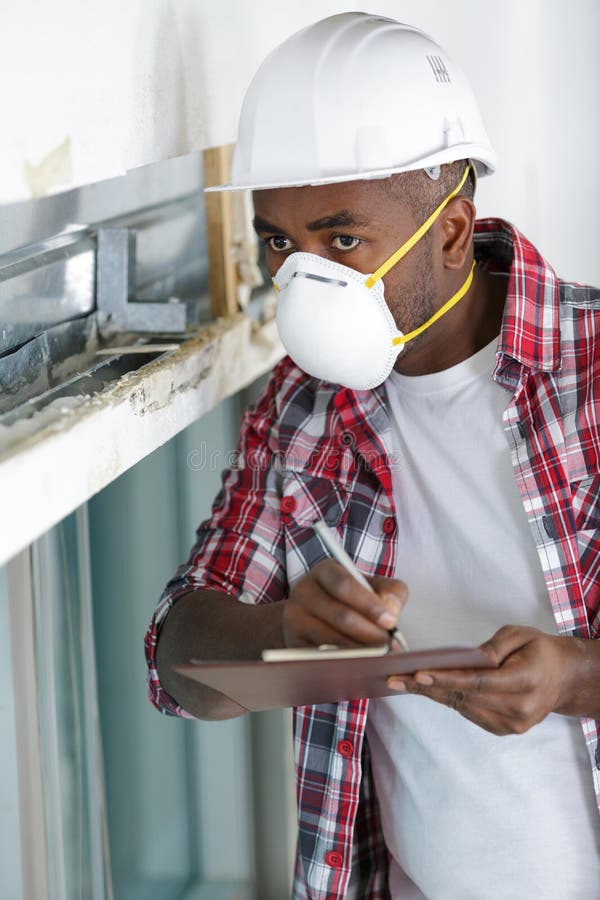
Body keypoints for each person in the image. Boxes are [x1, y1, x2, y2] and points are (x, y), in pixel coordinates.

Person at [145, 12, 600, 899]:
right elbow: (180, 669)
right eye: (279, 241)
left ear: (452, 232)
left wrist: (576, 677)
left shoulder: (590, 368)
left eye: (341, 240)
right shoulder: (300, 409)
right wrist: (283, 635)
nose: (304, 277)